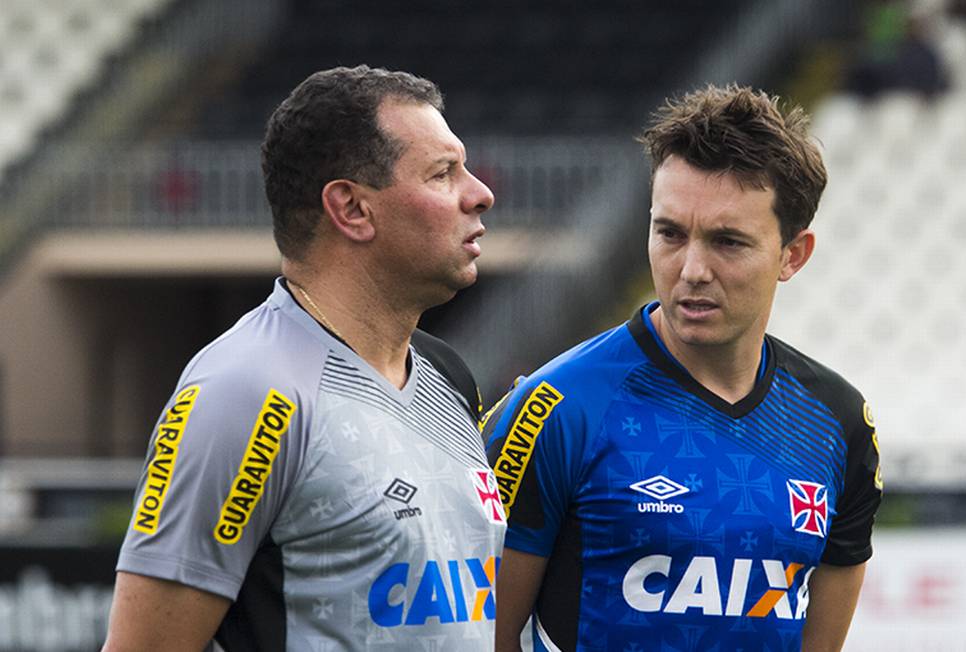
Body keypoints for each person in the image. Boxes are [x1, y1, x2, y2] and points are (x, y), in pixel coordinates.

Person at [104, 65, 504, 651]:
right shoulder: (242, 393)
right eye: (443, 173)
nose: (480, 192)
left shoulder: (448, 376)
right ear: (352, 209)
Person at [485, 85, 883, 652]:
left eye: (727, 241)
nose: (692, 269)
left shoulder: (838, 424)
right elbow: (474, 639)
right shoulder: (555, 409)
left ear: (793, 255)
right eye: (669, 233)